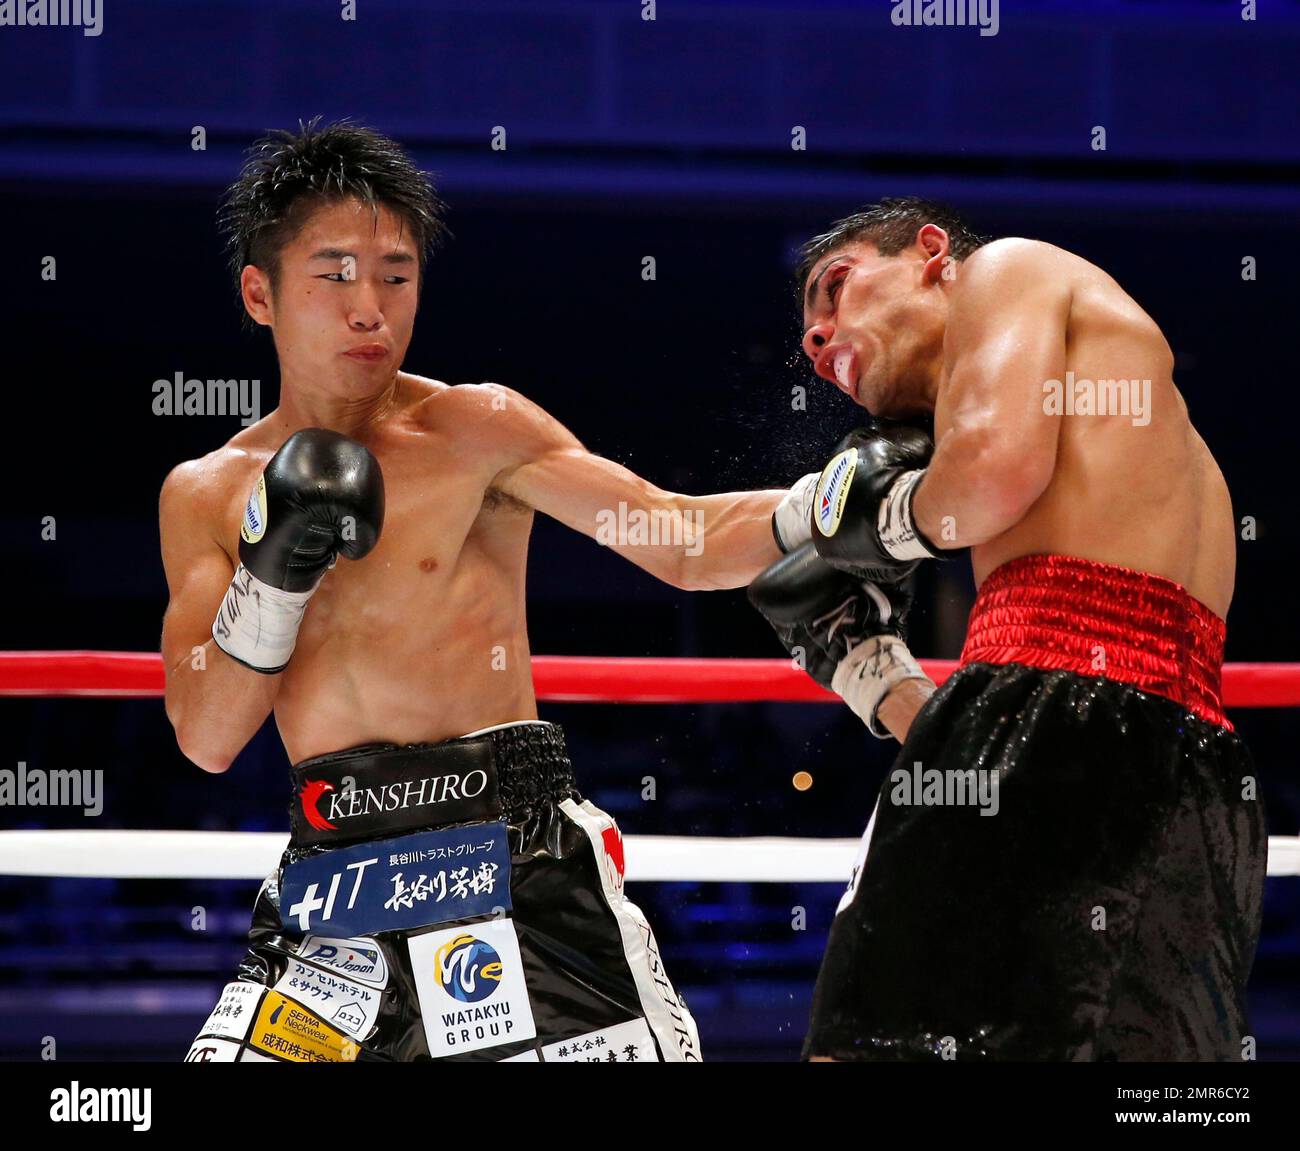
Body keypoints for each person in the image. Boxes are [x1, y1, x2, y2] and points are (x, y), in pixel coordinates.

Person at [163, 119, 788, 1063]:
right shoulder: (206, 492)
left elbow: (684, 541)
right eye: (335, 274)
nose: (371, 307)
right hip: (338, 889)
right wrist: (273, 570)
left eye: (397, 276)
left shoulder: (476, 430)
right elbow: (208, 736)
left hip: (515, 855)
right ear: (261, 293)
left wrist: (856, 502)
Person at [750, 197, 1267, 1061]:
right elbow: (1086, 702)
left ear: (931, 255)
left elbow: (990, 481)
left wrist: (889, 521)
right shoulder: (1059, 428)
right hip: (1199, 769)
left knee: (874, 1047)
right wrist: (875, 676)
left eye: (834, 288)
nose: (816, 336)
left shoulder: (1009, 267)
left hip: (1043, 725)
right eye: (808, 332)